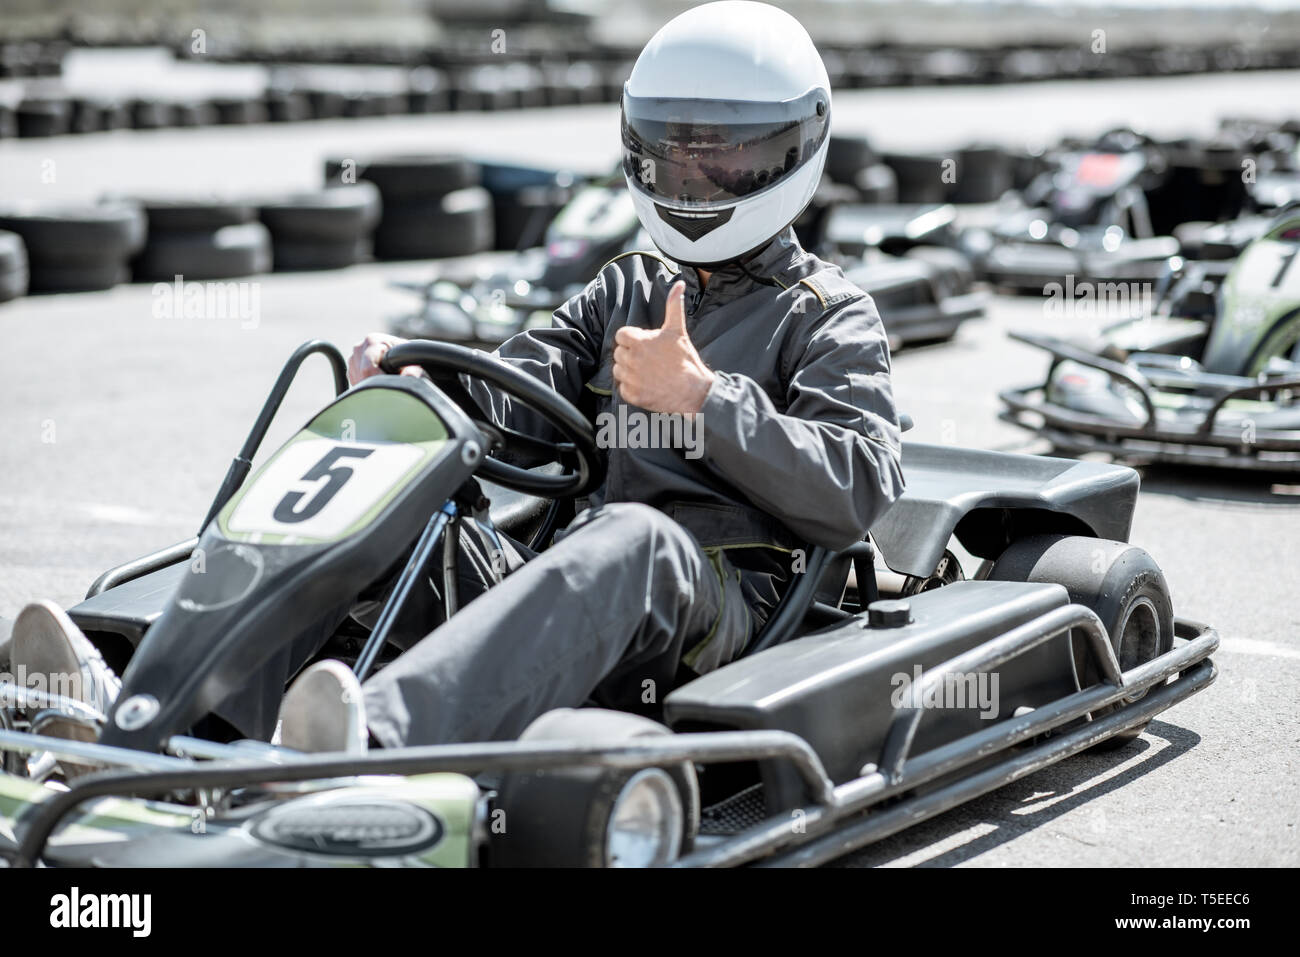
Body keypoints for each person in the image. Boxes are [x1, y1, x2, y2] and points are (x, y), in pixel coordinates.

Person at [8, 0, 904, 754]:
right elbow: (514, 390)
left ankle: (366, 750)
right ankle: (153, 720)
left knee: (633, 536)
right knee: (386, 485)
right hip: (571, 584)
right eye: (678, 151)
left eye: (728, 156)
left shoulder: (826, 313)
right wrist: (413, 383)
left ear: (796, 147)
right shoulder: (625, 288)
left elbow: (857, 488)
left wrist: (705, 401)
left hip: (716, 607)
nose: (696, 175)